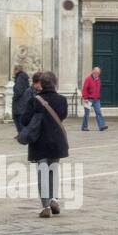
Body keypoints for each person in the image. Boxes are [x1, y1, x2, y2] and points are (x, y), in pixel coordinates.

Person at [16, 71, 69, 219]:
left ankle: (45, 206)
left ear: (41, 84)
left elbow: (25, 120)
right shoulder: (62, 100)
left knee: (42, 173)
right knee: (54, 170)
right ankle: (54, 199)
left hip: (39, 141)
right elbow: (62, 116)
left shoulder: (34, 101)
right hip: (56, 140)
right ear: (55, 83)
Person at [81, 66, 107, 132]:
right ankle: (84, 127)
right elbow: (84, 89)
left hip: (96, 99)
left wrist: (98, 96)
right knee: (86, 114)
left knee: (98, 112)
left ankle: (101, 126)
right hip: (88, 99)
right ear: (93, 71)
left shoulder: (98, 79)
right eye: (96, 72)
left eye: (98, 73)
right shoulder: (88, 79)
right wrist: (85, 98)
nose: (97, 74)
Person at [11, 66, 31, 132]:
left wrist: (14, 98)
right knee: (19, 117)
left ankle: (22, 134)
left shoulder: (20, 77)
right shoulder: (22, 77)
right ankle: (22, 133)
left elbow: (18, 90)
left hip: (20, 102)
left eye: (14, 70)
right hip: (23, 101)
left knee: (18, 118)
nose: (13, 72)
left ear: (16, 70)